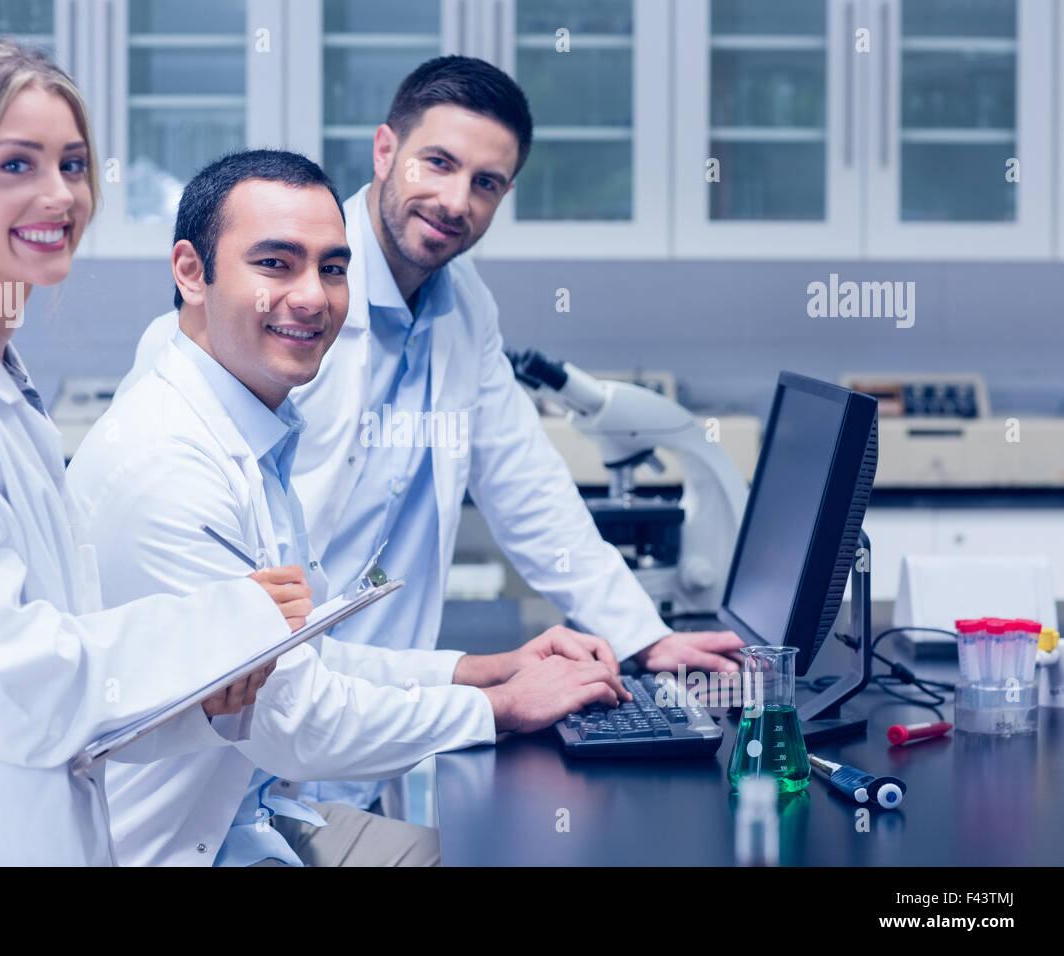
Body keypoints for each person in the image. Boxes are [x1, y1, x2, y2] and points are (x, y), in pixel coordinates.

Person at [119, 56, 746, 815]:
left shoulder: (463, 306)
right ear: (385, 151)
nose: (455, 201)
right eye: (438, 162)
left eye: (486, 183)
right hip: (253, 745)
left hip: (375, 713)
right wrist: (497, 698)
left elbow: (526, 485)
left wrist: (643, 640)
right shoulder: (266, 316)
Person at [66, 149, 629, 866]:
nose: (313, 296)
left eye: (333, 268)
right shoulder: (172, 471)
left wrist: (483, 670)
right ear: (190, 271)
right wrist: (503, 708)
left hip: (257, 818)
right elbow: (295, 723)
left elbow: (304, 667)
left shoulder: (250, 432)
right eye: (276, 264)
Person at [0, 40, 296, 866]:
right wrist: (226, 619)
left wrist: (202, 700)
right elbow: (10, 689)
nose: (58, 193)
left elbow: (58, 693)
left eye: (72, 164)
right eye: (16, 165)